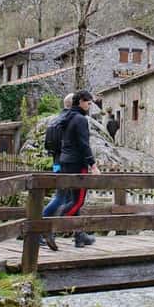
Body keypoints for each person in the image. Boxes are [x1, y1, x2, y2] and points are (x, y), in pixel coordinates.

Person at [56, 90, 100, 247]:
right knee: (78, 201)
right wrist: (93, 165)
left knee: (72, 200)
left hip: (65, 162)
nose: (89, 105)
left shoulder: (66, 117)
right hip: (77, 163)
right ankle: (50, 228)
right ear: (81, 101)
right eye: (88, 102)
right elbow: (84, 144)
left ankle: (79, 235)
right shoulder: (80, 119)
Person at [37, 93, 74, 251]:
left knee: (65, 197)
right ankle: (38, 229)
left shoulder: (55, 120)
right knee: (61, 197)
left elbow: (48, 145)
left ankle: (45, 229)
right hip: (66, 163)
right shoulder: (68, 121)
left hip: (56, 162)